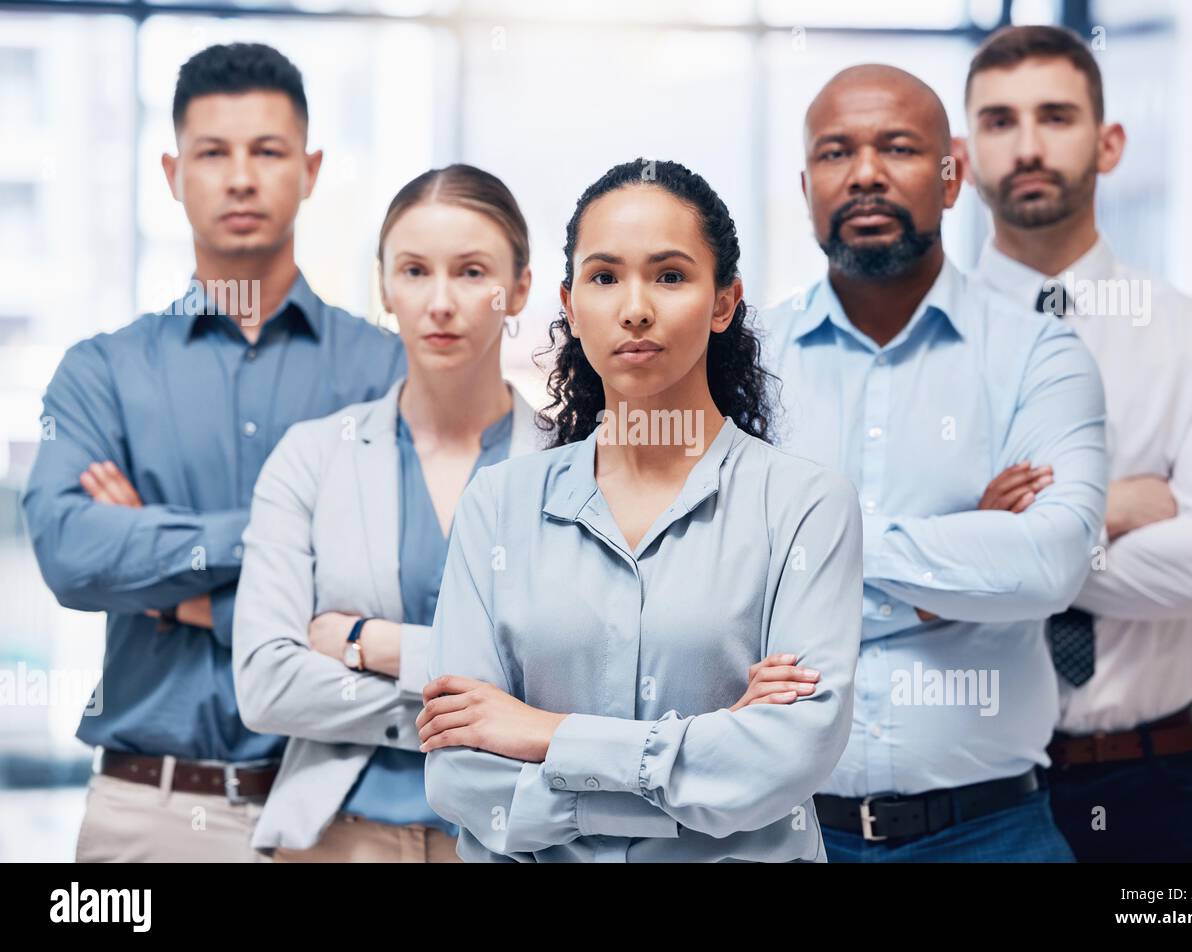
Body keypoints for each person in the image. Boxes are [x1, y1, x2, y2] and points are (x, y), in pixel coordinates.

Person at [20, 43, 405, 862]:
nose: (240, 177)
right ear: (171, 171)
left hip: (345, 812)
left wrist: (168, 585)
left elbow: (409, 590)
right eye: (212, 153)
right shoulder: (102, 371)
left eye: (267, 152)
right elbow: (71, 555)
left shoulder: (389, 371)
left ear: (310, 169)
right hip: (148, 815)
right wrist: (291, 539)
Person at [417, 158, 864, 862]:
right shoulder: (497, 506)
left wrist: (540, 732)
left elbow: (782, 762)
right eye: (604, 277)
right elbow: (461, 776)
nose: (635, 308)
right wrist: (701, 755)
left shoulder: (806, 505)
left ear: (724, 302)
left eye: (670, 275)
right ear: (569, 303)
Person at [757, 64, 1108, 862]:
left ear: (951, 179)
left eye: (899, 148)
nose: (867, 174)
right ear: (807, 184)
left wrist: (812, 549)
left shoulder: (1039, 354)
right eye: (836, 153)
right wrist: (957, 564)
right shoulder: (744, 362)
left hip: (995, 836)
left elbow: (1051, 565)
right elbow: (723, 598)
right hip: (783, 835)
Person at [963, 25, 1192, 862]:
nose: (1027, 145)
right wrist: (1119, 508)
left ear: (1109, 143)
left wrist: (1011, 540)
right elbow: (897, 560)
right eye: (999, 122)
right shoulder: (922, 343)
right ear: (964, 154)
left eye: (1055, 116)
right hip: (964, 795)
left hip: (1150, 787)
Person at [233, 165, 547, 862]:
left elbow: (578, 689)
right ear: (384, 287)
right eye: (414, 270)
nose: (440, 302)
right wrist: (490, 712)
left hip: (518, 841)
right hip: (341, 841)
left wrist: (373, 646)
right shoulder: (312, 458)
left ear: (518, 288)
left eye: (471, 272)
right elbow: (266, 683)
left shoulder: (578, 468)